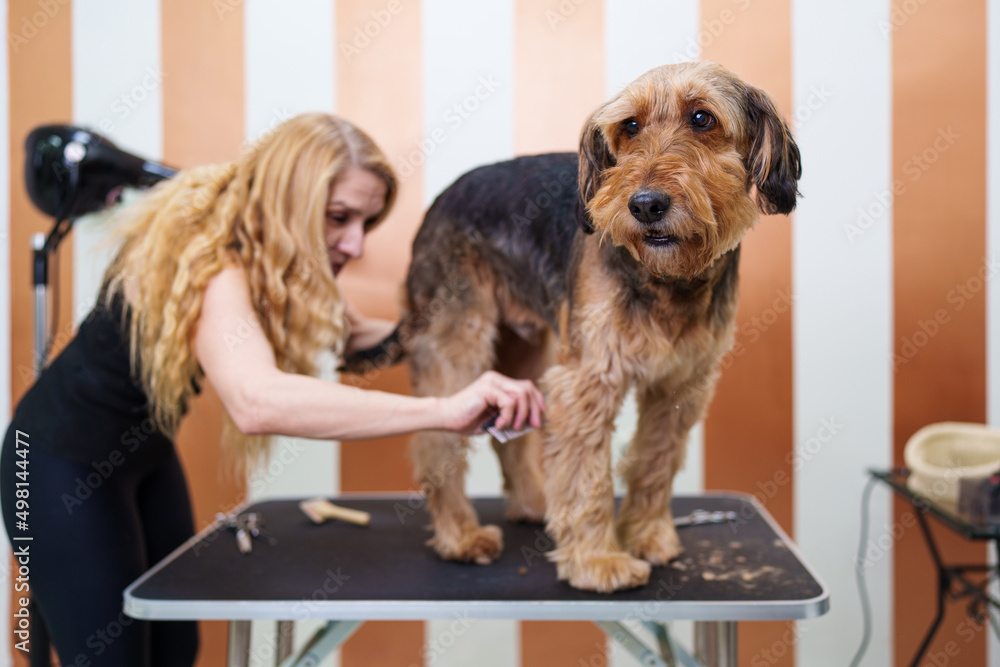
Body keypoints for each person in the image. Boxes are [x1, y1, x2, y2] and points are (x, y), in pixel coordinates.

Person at [0, 112, 545, 666]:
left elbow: (361, 339)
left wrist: (475, 329)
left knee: (174, 646)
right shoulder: (209, 258)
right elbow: (257, 400)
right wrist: (443, 410)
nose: (355, 244)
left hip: (144, 453)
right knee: (110, 658)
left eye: (366, 222)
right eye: (340, 218)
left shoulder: (272, 258)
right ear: (293, 198)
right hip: (51, 461)